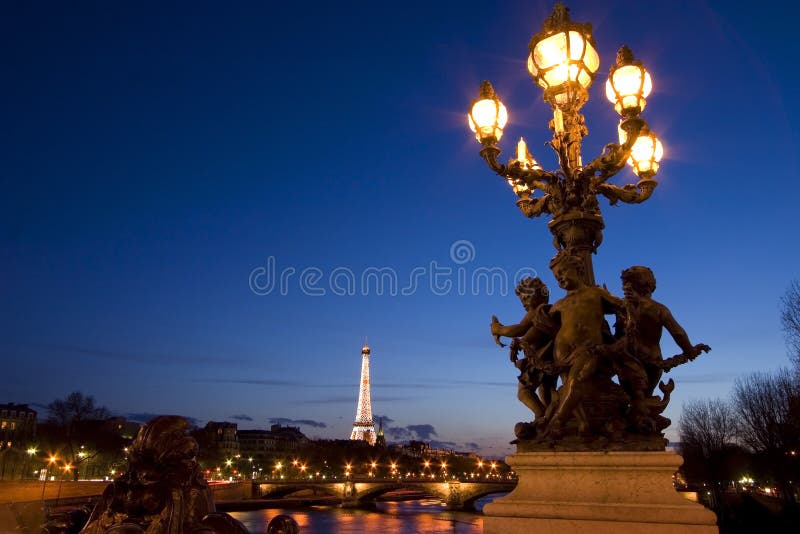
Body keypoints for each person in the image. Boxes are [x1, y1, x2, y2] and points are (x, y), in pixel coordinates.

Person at [613, 266, 710, 417]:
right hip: (652, 362)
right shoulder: (658, 309)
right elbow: (678, 333)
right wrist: (690, 351)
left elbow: (617, 335)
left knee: (632, 400)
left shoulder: (620, 307)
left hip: (627, 361)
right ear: (650, 285)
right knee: (644, 401)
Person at [544, 252, 624, 435]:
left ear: (578, 269)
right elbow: (539, 328)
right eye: (557, 276)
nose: (560, 278)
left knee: (575, 382)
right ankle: (583, 423)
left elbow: (622, 306)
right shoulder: (558, 305)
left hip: (589, 349)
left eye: (563, 272)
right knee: (567, 388)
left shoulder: (596, 293)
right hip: (561, 353)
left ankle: (558, 421)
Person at [490, 277, 557, 424]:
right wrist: (519, 342)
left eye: (527, 297)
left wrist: (498, 329)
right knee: (546, 392)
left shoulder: (538, 311)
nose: (524, 302)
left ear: (541, 295)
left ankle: (542, 417)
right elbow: (531, 334)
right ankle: (552, 418)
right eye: (522, 299)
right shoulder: (545, 313)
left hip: (540, 359)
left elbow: (519, 329)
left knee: (523, 392)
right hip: (547, 358)